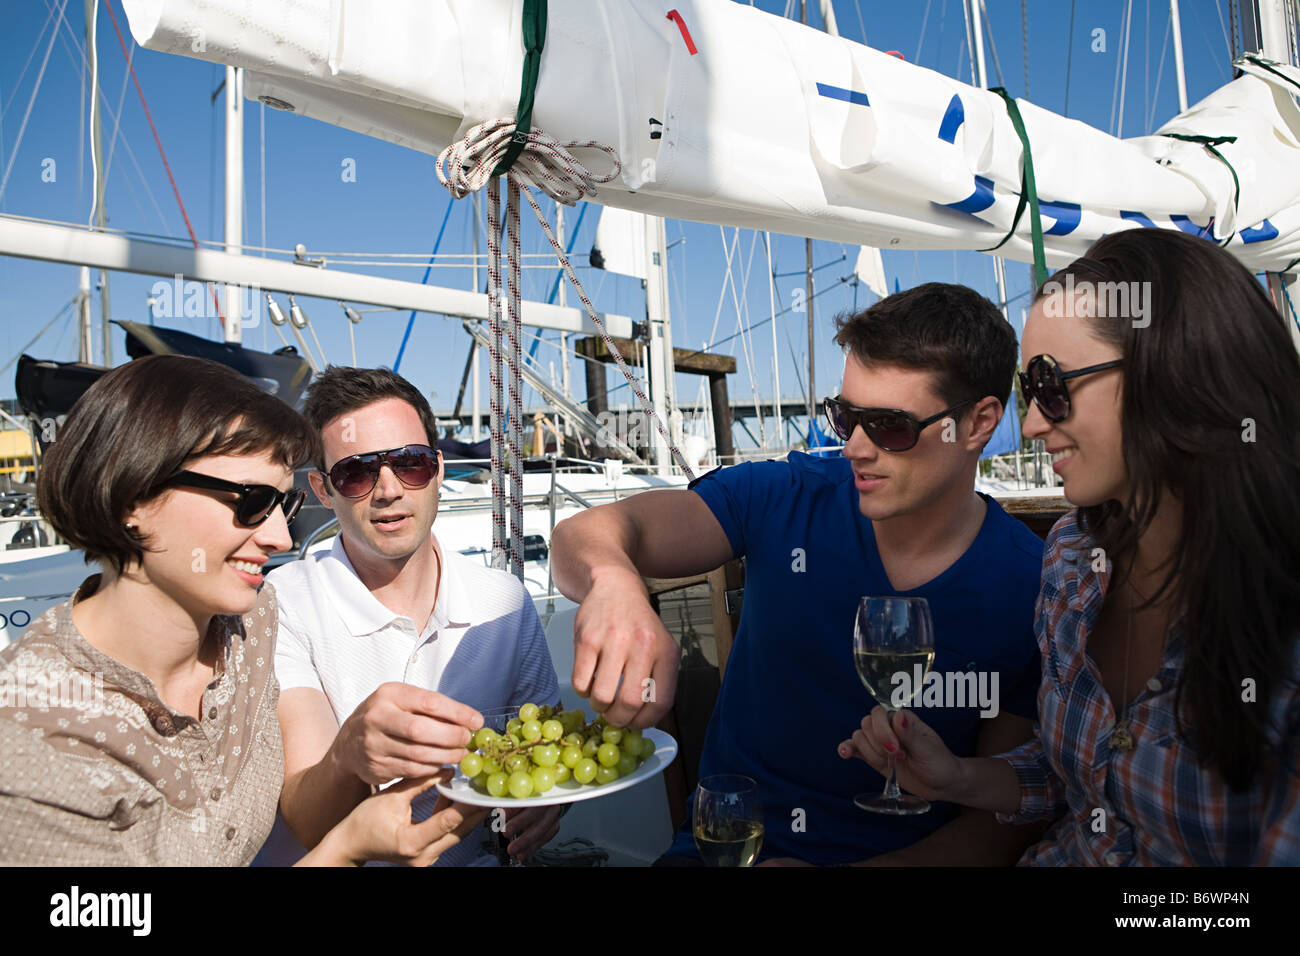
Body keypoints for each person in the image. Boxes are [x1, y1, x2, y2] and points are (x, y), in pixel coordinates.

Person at [552, 282, 1048, 865]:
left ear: (978, 423)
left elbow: (997, 824)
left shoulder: (1030, 587)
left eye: (889, 425)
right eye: (846, 417)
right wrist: (615, 585)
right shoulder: (785, 495)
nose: (857, 448)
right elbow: (586, 534)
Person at [849, 228, 1300, 864]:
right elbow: (1085, 783)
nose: (1032, 423)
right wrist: (959, 777)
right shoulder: (1073, 558)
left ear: (1171, 370)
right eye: (1029, 392)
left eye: (1052, 386)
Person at [0, 355, 485, 865]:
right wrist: (344, 849)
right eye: (250, 501)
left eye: (283, 505)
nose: (278, 538)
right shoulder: (30, 737)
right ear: (132, 499)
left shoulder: (255, 624)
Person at [258, 366, 561, 867]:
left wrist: (551, 804)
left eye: (410, 464)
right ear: (321, 490)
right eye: (356, 473)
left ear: (438, 469)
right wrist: (349, 754)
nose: (388, 489)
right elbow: (308, 821)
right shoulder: (285, 603)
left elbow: (546, 745)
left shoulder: (505, 601)